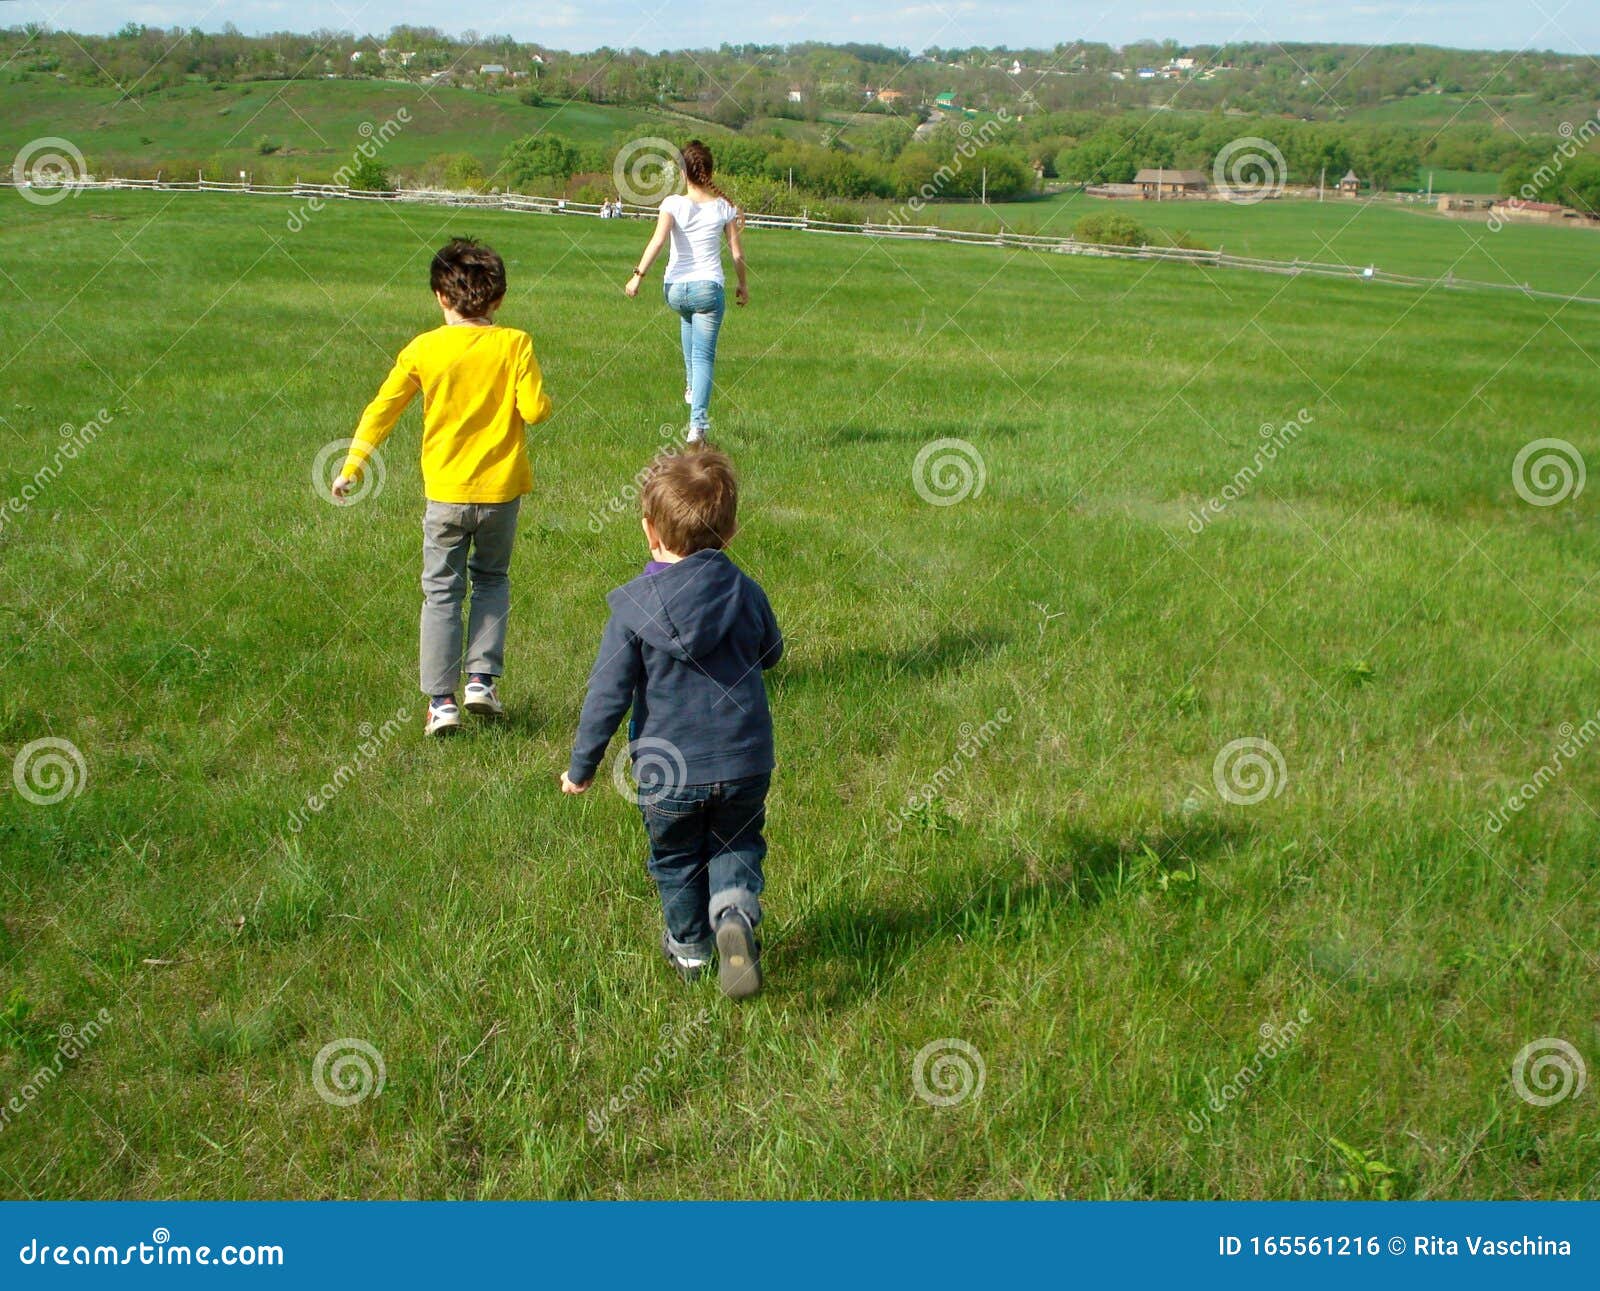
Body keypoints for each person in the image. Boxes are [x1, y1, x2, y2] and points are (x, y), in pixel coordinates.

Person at [560, 447, 782, 999]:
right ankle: (733, 912)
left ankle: (688, 948)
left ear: (650, 531)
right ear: (730, 534)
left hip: (668, 771)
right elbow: (772, 652)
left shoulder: (634, 610)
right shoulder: (746, 592)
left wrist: (582, 766)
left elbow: (606, 696)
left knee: (678, 855)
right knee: (735, 841)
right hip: (744, 758)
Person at [334, 237, 554, 736]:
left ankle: (441, 702)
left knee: (441, 594)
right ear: (497, 299)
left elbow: (382, 409)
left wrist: (353, 464)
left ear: (440, 296)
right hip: (501, 496)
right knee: (492, 581)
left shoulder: (423, 349)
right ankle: (482, 680)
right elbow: (536, 411)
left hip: (446, 496)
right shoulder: (515, 343)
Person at [623, 140, 747, 443]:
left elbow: (657, 242)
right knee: (704, 356)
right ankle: (697, 427)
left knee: (688, 327)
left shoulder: (672, 204)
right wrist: (742, 285)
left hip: (676, 291)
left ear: (682, 172)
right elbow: (737, 255)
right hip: (708, 288)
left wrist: (637, 277)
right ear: (710, 172)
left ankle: (692, 387)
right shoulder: (724, 208)